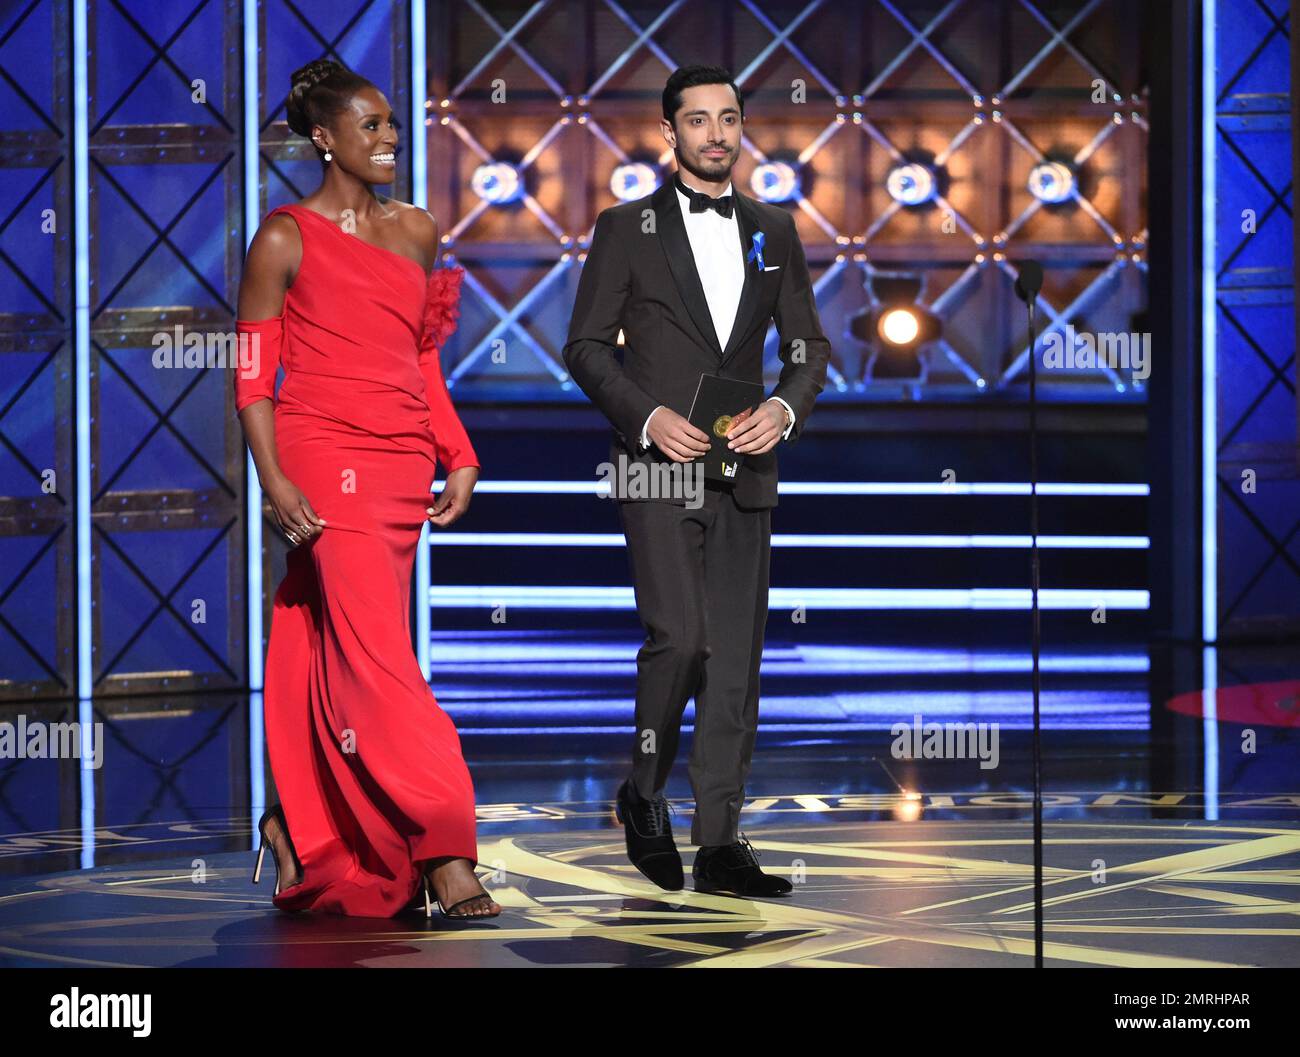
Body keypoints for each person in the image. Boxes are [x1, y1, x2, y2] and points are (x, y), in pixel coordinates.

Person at [236, 58, 499, 920]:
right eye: (372, 126)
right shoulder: (283, 237)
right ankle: (446, 845)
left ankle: (296, 826)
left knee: (333, 646)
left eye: (392, 125)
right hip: (319, 458)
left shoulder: (417, 232)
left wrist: (455, 451)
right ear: (325, 138)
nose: (390, 139)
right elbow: (251, 376)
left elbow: (420, 358)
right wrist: (273, 479)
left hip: (397, 465)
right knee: (381, 660)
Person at [563, 65, 831, 897]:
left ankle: (721, 840)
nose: (717, 133)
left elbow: (808, 348)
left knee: (736, 662)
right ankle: (642, 793)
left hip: (745, 464)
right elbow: (585, 348)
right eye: (699, 120)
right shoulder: (625, 228)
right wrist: (646, 418)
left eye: (729, 118)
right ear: (670, 134)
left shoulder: (774, 229)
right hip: (656, 468)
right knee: (680, 638)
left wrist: (783, 410)